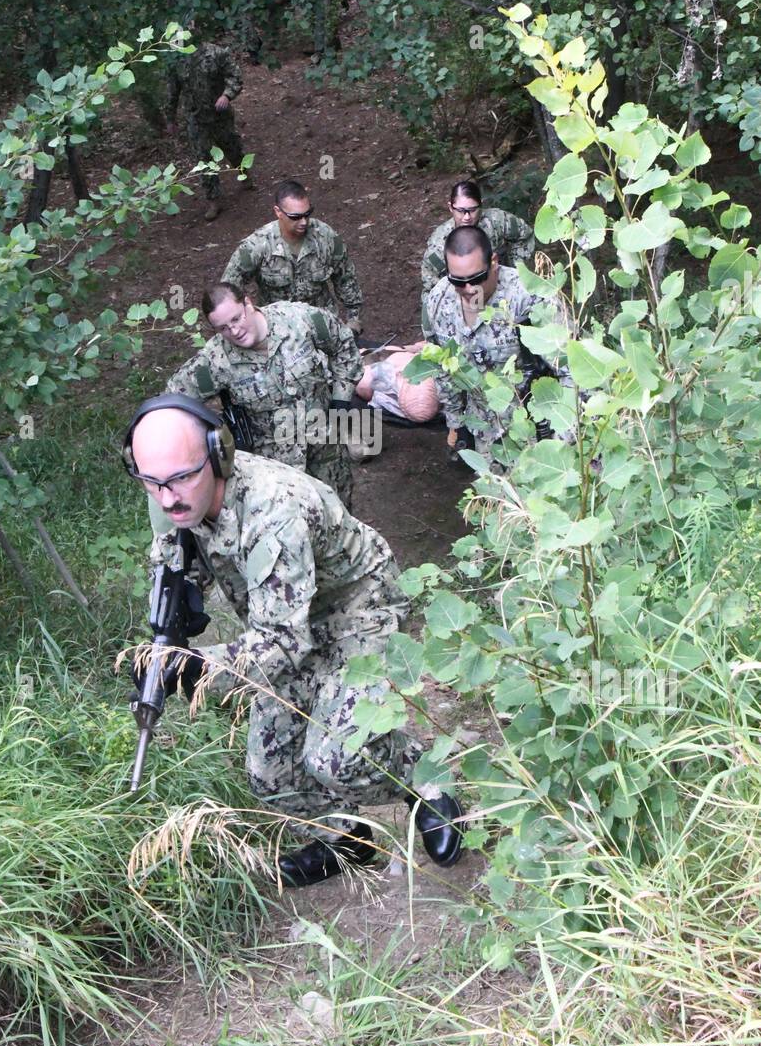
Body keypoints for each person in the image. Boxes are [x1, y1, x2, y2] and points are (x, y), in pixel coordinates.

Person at [122, 395, 464, 887]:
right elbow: (178, 572)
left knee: (335, 758)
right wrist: (164, 642)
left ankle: (426, 782)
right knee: (271, 776)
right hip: (287, 621)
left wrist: (196, 669)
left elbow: (282, 644)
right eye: (152, 482)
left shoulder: (272, 510)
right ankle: (350, 837)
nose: (168, 497)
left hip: (356, 611)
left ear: (218, 454)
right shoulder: (174, 502)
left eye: (181, 478)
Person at [166, 283, 361, 509]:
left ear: (248, 304)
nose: (234, 331)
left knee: (340, 520)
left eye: (236, 319)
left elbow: (343, 344)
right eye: (223, 328)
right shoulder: (217, 360)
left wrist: (341, 398)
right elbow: (173, 402)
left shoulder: (299, 320)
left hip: (327, 453)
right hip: (277, 473)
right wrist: (212, 435)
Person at [422, 225, 571, 468]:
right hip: (486, 439)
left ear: (493, 262)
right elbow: (441, 366)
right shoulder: (439, 301)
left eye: (477, 278)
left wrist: (562, 441)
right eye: (458, 281)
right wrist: (456, 423)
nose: (469, 289)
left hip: (539, 435)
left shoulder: (530, 297)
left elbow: (573, 371)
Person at [221, 179, 364, 334]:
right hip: (278, 330)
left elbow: (345, 277)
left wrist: (353, 319)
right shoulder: (257, 245)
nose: (303, 222)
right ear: (278, 212)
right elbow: (229, 289)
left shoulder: (326, 237)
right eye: (295, 217)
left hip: (322, 324)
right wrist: (245, 324)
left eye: (307, 214)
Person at [166, 33, 253, 223]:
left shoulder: (216, 53)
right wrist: (170, 119)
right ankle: (213, 199)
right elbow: (172, 91)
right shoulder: (177, 59)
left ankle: (244, 172)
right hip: (196, 119)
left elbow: (235, 75)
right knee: (203, 159)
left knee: (232, 148)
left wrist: (227, 95)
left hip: (220, 116)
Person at [420, 180, 535, 305]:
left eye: (473, 210)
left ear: (481, 205)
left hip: (501, 289)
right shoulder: (439, 246)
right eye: (461, 211)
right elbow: (430, 290)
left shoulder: (495, 221)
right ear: (450, 207)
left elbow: (524, 235)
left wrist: (516, 271)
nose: (467, 217)